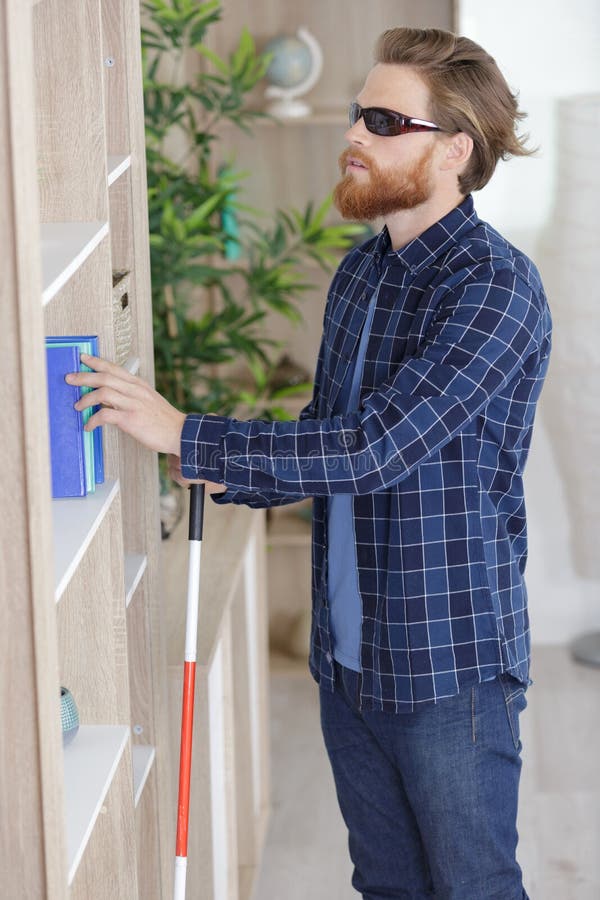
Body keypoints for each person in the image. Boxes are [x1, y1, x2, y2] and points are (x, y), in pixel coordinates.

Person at [67, 26, 551, 900]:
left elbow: (375, 447)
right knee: (387, 885)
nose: (353, 136)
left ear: (455, 150)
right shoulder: (363, 275)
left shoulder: (496, 290)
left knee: (472, 886)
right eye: (355, 114)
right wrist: (225, 468)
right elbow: (329, 431)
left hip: (447, 667)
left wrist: (192, 433)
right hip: (347, 659)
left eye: (382, 120)